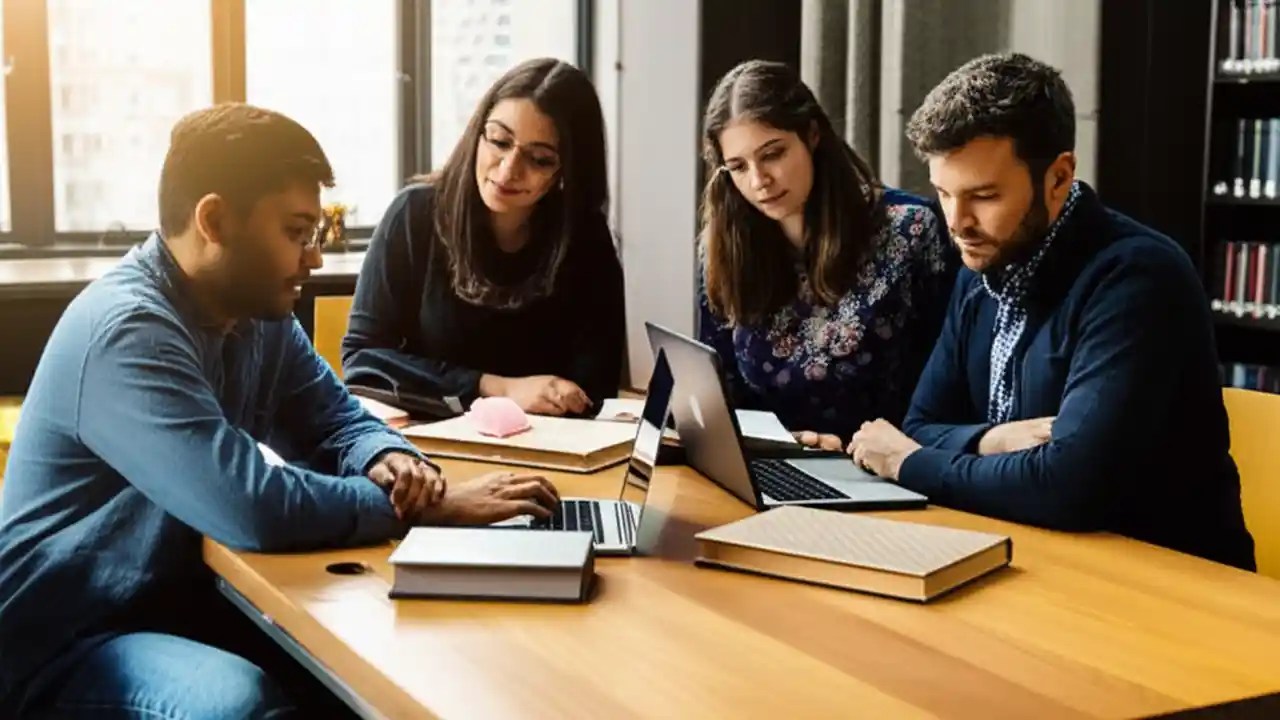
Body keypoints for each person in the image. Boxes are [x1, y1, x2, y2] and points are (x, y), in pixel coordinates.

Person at [0, 104, 561, 718]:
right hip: (62, 643)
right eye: (296, 233)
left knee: (367, 669)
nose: (313, 259)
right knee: (243, 706)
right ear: (213, 219)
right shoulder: (129, 332)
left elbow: (333, 417)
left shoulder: (253, 314)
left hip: (167, 603)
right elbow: (250, 504)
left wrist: (395, 462)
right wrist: (430, 513)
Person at [846, 52, 1255, 571]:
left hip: (1167, 587)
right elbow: (923, 422)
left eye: (984, 195)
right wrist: (992, 440)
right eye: (944, 193)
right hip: (1034, 559)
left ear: (1059, 178)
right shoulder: (983, 260)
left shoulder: (1139, 279)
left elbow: (1068, 486)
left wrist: (907, 463)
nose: (958, 221)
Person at [343, 58, 625, 418]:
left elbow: (595, 388)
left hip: (546, 446)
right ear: (478, 132)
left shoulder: (585, 239)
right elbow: (362, 360)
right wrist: (498, 389)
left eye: (539, 159)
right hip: (425, 442)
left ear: (567, 171)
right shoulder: (414, 215)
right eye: (499, 141)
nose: (508, 170)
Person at [697, 60, 956, 448]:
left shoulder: (910, 231)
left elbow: (948, 393)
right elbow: (723, 395)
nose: (758, 181)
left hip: (889, 471)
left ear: (812, 134)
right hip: (768, 466)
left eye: (773, 154)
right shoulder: (723, 248)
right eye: (737, 167)